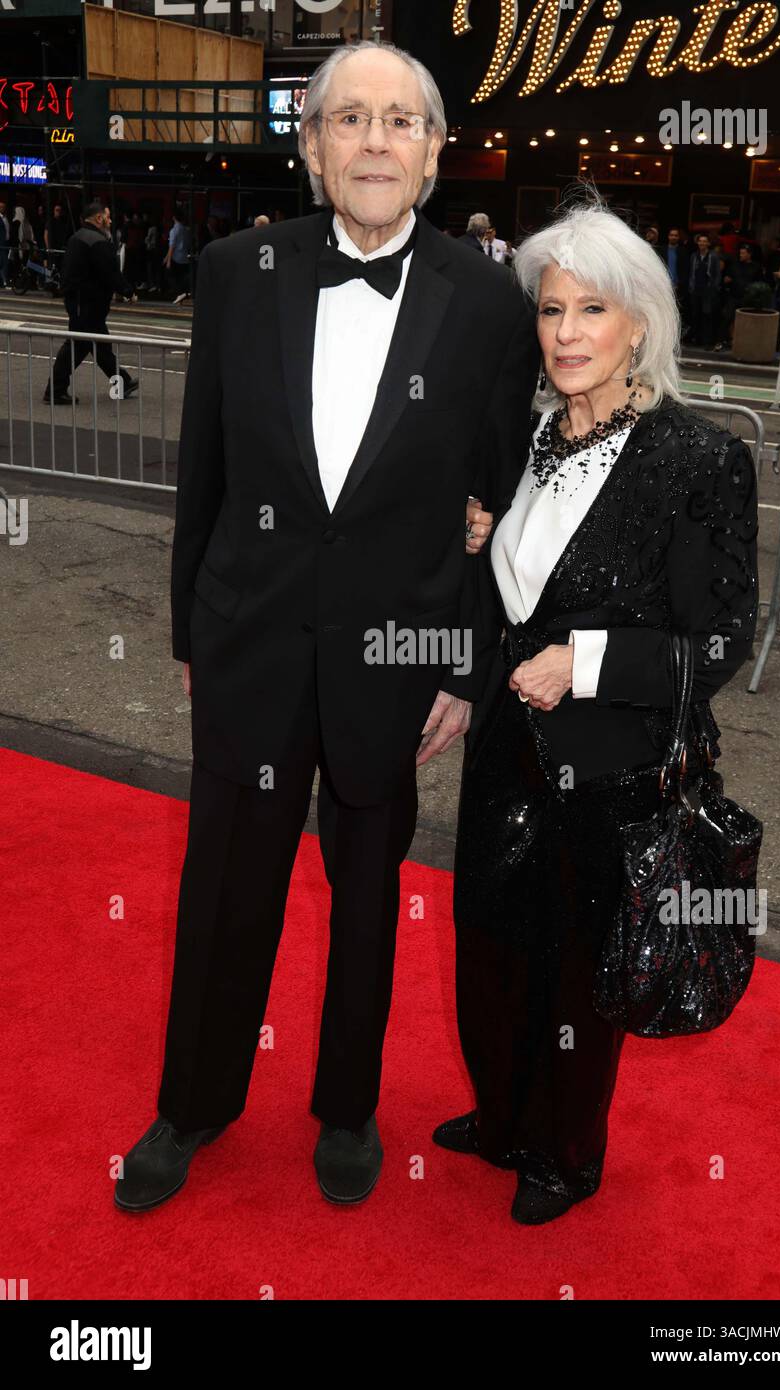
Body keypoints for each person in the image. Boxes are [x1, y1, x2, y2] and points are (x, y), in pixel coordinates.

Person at [114, 38, 539, 1215]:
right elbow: (203, 463)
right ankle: (191, 1103)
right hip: (248, 641)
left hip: (394, 660)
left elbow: (494, 505)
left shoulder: (490, 303)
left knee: (366, 899)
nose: (373, 141)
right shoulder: (233, 269)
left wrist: (460, 659)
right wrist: (193, 635)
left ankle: (346, 1106)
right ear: (308, 147)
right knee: (224, 891)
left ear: (434, 153)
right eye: (347, 119)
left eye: (399, 122)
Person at [433, 193, 759, 1225]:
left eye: (591, 311)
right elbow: (527, 589)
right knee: (487, 942)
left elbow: (717, 642)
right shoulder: (528, 441)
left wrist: (587, 661)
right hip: (504, 751)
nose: (565, 333)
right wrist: (485, 551)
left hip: (612, 767)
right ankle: (497, 1115)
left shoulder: (698, 461)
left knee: (580, 972)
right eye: (550, 310)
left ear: (638, 326)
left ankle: (563, 1154)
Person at [43, 200, 139, 406]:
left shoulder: (77, 237)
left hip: (80, 301)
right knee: (77, 346)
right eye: (107, 215)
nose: (110, 220)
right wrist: (128, 292)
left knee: (99, 345)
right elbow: (110, 274)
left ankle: (123, 382)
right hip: (87, 303)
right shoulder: (98, 242)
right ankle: (55, 390)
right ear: (98, 218)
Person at [716, 242, 760, 349]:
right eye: (740, 253)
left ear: (749, 255)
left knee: (744, 321)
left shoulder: (756, 267)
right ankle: (722, 341)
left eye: (743, 253)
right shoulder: (735, 265)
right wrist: (727, 280)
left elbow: (759, 283)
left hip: (747, 298)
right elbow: (727, 277)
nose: (741, 255)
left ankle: (743, 342)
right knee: (727, 317)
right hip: (733, 296)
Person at [688, 232, 722, 347]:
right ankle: (697, 340)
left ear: (708, 243)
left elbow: (717, 274)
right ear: (697, 243)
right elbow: (691, 273)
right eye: (700, 241)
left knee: (707, 316)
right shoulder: (694, 256)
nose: (702, 243)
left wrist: (715, 288)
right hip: (696, 290)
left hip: (708, 291)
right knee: (695, 315)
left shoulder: (713, 256)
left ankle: (707, 342)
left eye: (704, 241)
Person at [164, 207, 192, 304]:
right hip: (184, 257)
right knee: (182, 277)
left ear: (174, 218)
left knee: (170, 276)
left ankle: (180, 293)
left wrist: (168, 260)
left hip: (176, 258)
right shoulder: (186, 230)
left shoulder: (174, 230)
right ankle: (183, 294)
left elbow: (172, 246)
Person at [0, 201, 10, 288]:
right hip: (1, 244)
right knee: (3, 263)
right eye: (1, 207)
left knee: (4, 263)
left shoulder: (6, 218)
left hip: (5, 243)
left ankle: (3, 281)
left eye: (3, 207)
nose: (2, 208)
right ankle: (3, 282)